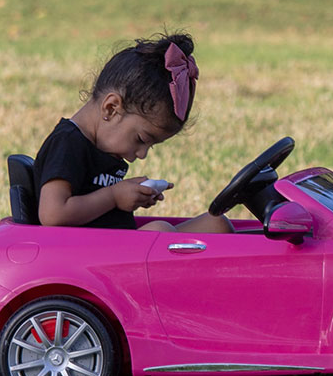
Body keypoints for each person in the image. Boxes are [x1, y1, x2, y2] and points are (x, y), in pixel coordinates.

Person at [33, 32, 231, 233]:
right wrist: (113, 196)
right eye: (141, 139)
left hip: (118, 245)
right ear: (111, 108)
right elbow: (53, 214)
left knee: (216, 223)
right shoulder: (67, 143)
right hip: (84, 250)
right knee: (161, 230)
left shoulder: (104, 146)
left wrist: (130, 195)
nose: (142, 154)